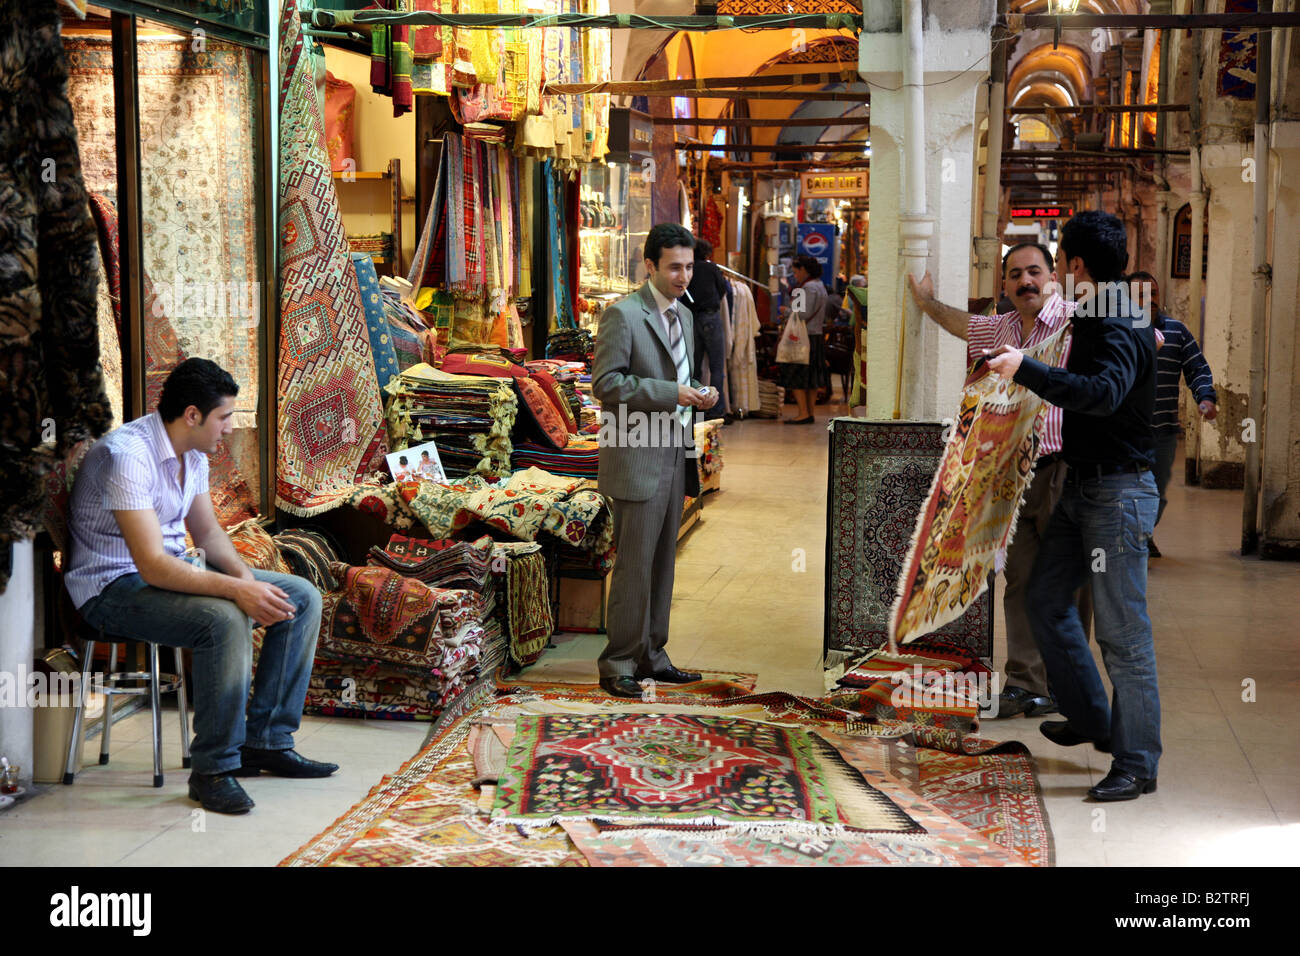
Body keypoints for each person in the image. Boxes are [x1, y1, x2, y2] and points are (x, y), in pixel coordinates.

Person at [65, 358, 335, 815]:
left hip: (168, 571)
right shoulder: (126, 456)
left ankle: (265, 741)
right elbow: (150, 566)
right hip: (110, 589)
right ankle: (213, 769)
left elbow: (208, 536)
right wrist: (235, 594)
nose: (230, 427)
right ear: (192, 415)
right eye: (224, 417)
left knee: (300, 597)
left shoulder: (193, 455)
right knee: (223, 619)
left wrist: (249, 583)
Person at [986, 209, 1162, 802]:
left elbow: (1105, 393)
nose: (1056, 271)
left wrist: (1027, 370)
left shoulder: (1116, 319)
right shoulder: (1102, 311)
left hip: (1117, 494)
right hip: (1082, 486)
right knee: (1044, 597)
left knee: (1121, 632)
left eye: (1059, 261)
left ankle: (1136, 761)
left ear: (1076, 265)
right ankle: (1091, 718)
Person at [908, 242, 1090, 719]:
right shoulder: (1002, 325)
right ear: (1004, 284)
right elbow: (959, 324)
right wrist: (925, 302)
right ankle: (1025, 683)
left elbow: (1133, 347)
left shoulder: (1078, 322)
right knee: (1021, 580)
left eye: (1034, 272)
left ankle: (1067, 685)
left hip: (1067, 468)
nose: (1025, 281)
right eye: (1015, 275)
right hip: (1015, 474)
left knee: (1070, 582)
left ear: (1052, 276)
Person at [591, 223, 718, 698]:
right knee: (635, 564)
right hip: (636, 454)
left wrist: (700, 395)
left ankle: (653, 655)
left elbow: (682, 373)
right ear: (650, 265)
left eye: (688, 266)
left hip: (673, 452)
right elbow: (605, 384)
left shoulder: (682, 315)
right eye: (673, 267)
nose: (683, 276)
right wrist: (671, 393)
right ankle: (618, 661)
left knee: (664, 561)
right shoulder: (623, 315)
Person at [1126, 271, 1218, 557]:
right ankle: (1134, 541)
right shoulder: (1117, 332)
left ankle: (1142, 534)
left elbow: (1197, 369)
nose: (1148, 300)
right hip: (1125, 432)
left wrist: (1205, 397)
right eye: (1140, 295)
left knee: (1157, 494)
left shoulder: (1176, 332)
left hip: (1163, 432)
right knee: (1126, 490)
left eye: (1152, 294)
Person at [777, 254, 830, 424]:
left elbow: (803, 314)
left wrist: (785, 311)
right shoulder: (820, 286)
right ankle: (809, 411)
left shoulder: (807, 288)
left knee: (798, 374)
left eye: (796, 272)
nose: (795, 276)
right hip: (816, 336)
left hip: (802, 337)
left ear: (804, 270)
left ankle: (803, 412)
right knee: (812, 377)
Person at [685, 237, 733, 421]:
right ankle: (716, 409)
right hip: (711, 316)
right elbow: (723, 290)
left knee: (694, 366)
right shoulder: (712, 268)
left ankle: (695, 407)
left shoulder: (690, 268)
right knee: (716, 366)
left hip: (692, 317)